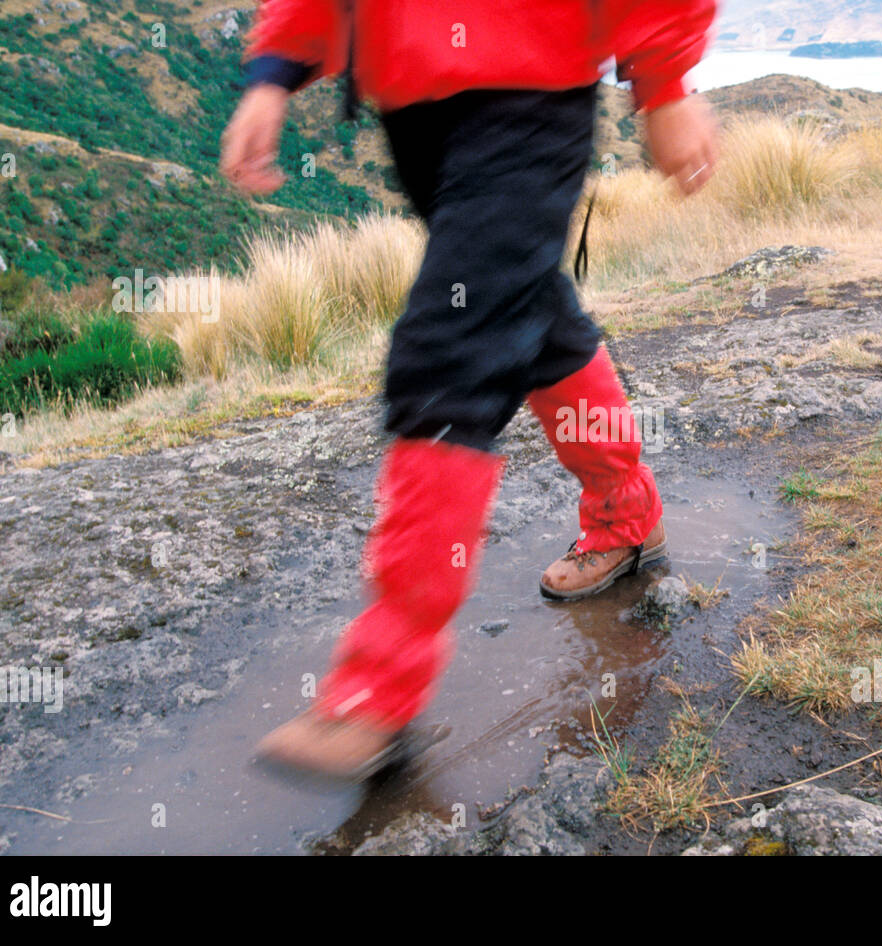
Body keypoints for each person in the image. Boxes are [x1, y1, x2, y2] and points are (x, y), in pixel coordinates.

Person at [220, 0, 718, 779]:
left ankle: (378, 690)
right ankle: (627, 514)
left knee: (450, 351)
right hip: (413, 106)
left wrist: (665, 79)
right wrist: (274, 72)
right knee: (535, 318)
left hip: (530, 87)